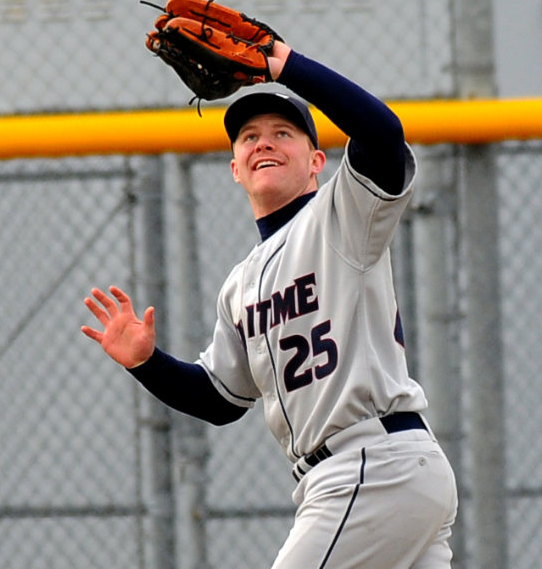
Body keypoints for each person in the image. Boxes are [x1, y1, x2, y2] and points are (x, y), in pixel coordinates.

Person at [82, 38, 457, 568]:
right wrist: (148, 363)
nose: (265, 143)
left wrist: (284, 66)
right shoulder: (240, 285)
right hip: (366, 477)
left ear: (316, 162)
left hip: (372, 466)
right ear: (235, 168)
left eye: (284, 133)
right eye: (250, 137)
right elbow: (219, 398)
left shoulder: (342, 217)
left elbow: (383, 134)